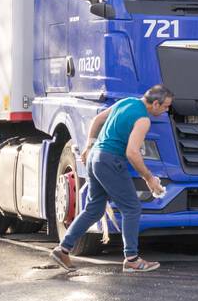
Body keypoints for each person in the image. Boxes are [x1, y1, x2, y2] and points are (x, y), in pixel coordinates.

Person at [50, 85, 173, 273]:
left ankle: (63, 249)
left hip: (95, 158)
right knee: (132, 208)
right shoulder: (143, 120)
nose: (166, 111)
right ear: (155, 104)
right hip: (111, 160)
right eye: (165, 107)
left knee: (94, 209)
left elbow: (97, 119)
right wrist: (149, 178)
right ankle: (132, 258)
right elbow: (132, 153)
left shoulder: (126, 102)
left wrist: (89, 145)